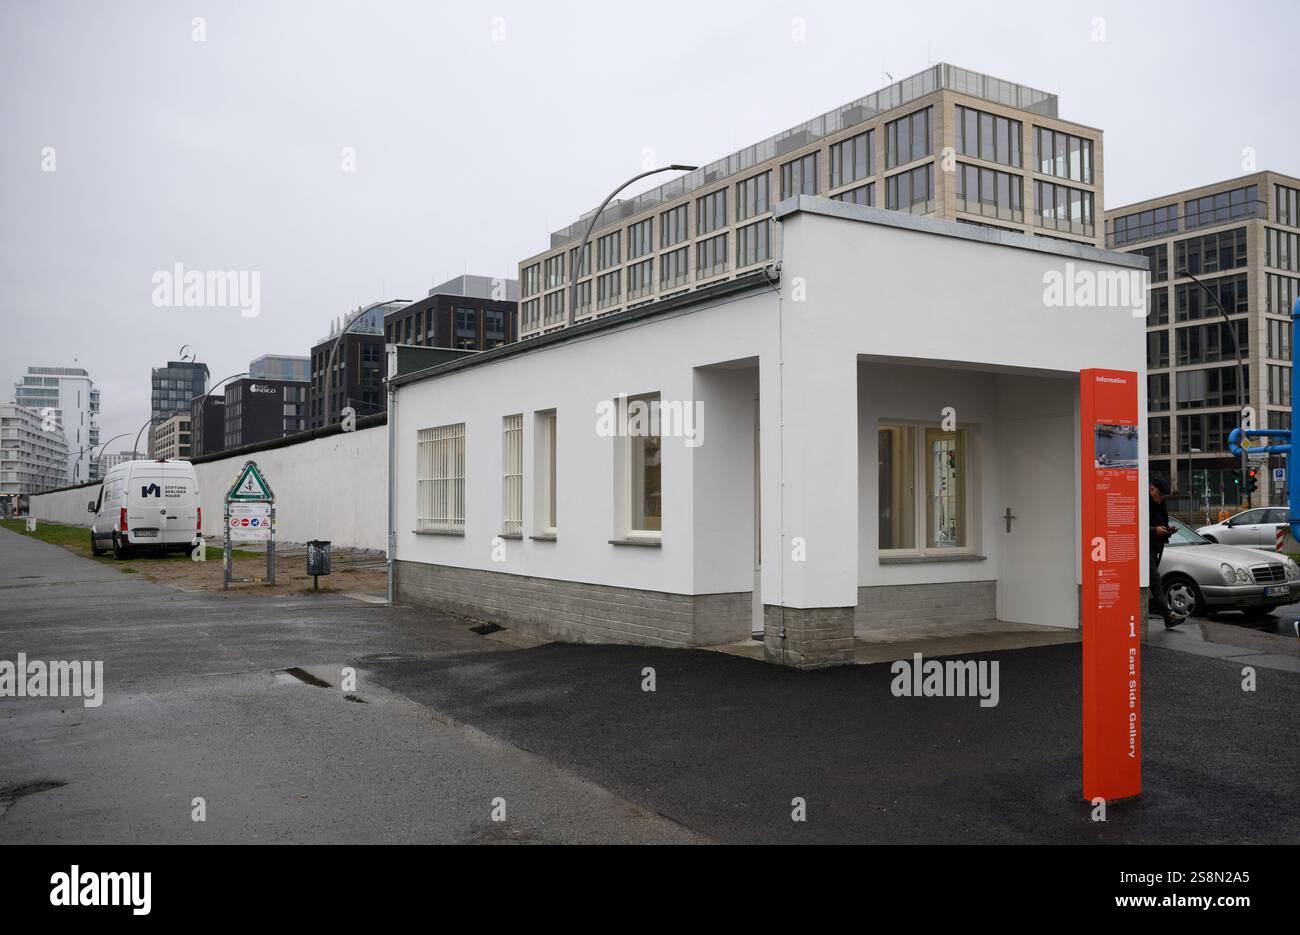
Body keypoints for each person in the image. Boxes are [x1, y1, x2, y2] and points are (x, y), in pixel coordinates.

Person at [1150, 477, 1185, 628]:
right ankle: (1168, 615)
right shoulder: (1141, 502)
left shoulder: (1161, 504)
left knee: (1152, 581)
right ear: (1151, 490)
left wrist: (1168, 530)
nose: (1161, 498)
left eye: (1163, 496)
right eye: (1160, 495)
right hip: (1143, 547)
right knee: (1155, 579)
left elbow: (1162, 524)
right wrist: (1154, 530)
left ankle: (1165, 615)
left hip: (1157, 547)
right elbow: (1135, 525)